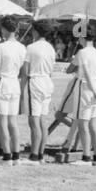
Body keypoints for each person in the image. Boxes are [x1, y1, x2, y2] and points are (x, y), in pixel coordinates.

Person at [69, 26, 96, 167]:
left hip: (85, 88)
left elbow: (86, 74)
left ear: (83, 37)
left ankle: (86, 157)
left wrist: (94, 90)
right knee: (94, 125)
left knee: (83, 124)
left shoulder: (82, 53)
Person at [0, 15, 27, 164]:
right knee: (13, 122)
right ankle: (16, 155)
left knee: (2, 122)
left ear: (4, 30)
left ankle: (6, 155)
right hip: (15, 83)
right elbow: (24, 71)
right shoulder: (22, 47)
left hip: (3, 82)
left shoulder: (0, 47)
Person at [23, 20, 57, 163]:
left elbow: (25, 72)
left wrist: (21, 90)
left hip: (35, 81)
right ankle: (40, 154)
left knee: (34, 121)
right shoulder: (51, 48)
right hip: (47, 82)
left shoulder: (30, 47)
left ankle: (34, 155)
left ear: (35, 31)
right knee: (42, 120)